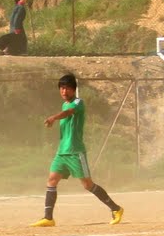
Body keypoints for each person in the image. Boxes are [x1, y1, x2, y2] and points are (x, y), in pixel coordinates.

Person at [32, 73, 124, 227]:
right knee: (52, 180)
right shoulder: (64, 104)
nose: (63, 91)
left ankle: (116, 209)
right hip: (62, 152)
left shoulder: (78, 102)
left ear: (73, 89)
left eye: (67, 88)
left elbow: (69, 113)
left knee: (88, 185)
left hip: (75, 152)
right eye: (61, 88)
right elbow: (65, 113)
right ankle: (48, 218)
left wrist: (54, 118)